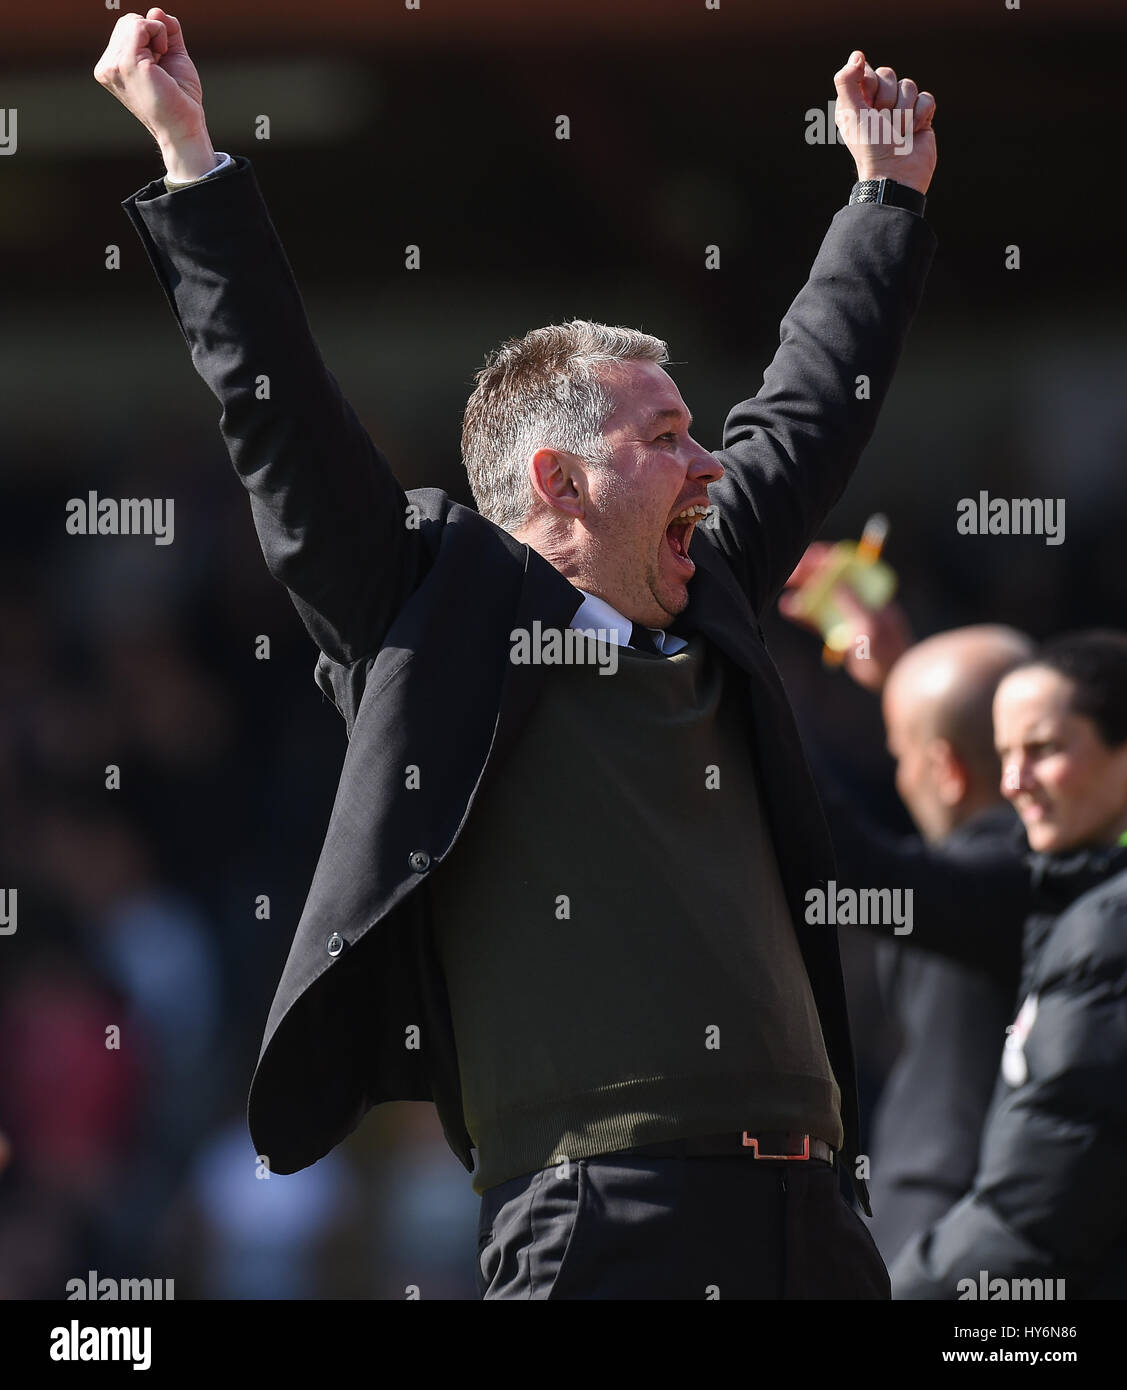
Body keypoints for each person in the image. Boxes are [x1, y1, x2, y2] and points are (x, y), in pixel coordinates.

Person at [96, 9, 938, 1298]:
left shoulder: (699, 588)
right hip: (601, 1214)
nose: (708, 462)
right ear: (556, 479)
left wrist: (881, 199)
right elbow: (281, 415)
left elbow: (809, 407)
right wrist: (190, 155)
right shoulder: (425, 616)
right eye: (664, 435)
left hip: (817, 1215)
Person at [779, 553, 1037, 1263]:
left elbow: (850, 864)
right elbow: (969, 734)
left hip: (952, 1240)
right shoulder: (1047, 865)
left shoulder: (1010, 878)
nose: (900, 770)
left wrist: (747, 686)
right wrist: (905, 680)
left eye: (902, 754)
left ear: (944, 770)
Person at [890, 631, 1127, 1298]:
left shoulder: (1105, 928)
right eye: (1004, 756)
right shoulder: (1078, 905)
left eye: (1044, 751)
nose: (1014, 782)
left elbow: (1034, 1214)